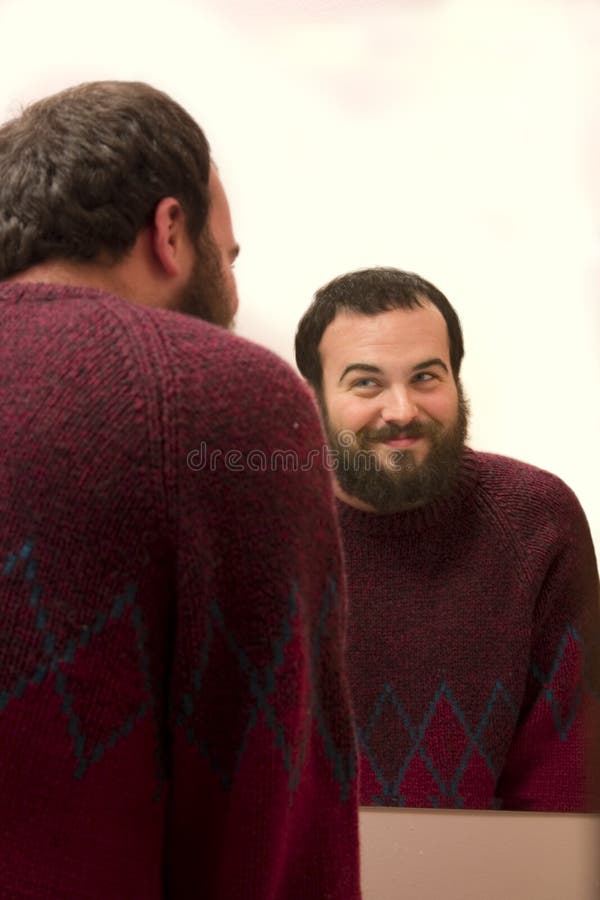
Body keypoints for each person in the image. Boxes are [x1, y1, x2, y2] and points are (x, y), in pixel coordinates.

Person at [0, 81, 360, 899]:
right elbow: (272, 826)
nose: (232, 296)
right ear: (169, 231)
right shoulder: (218, 396)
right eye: (227, 257)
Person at [295, 266, 600, 812]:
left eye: (426, 378)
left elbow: (565, 783)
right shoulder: (259, 529)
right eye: (366, 382)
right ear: (312, 395)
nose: (402, 411)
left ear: (457, 381)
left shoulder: (538, 521)